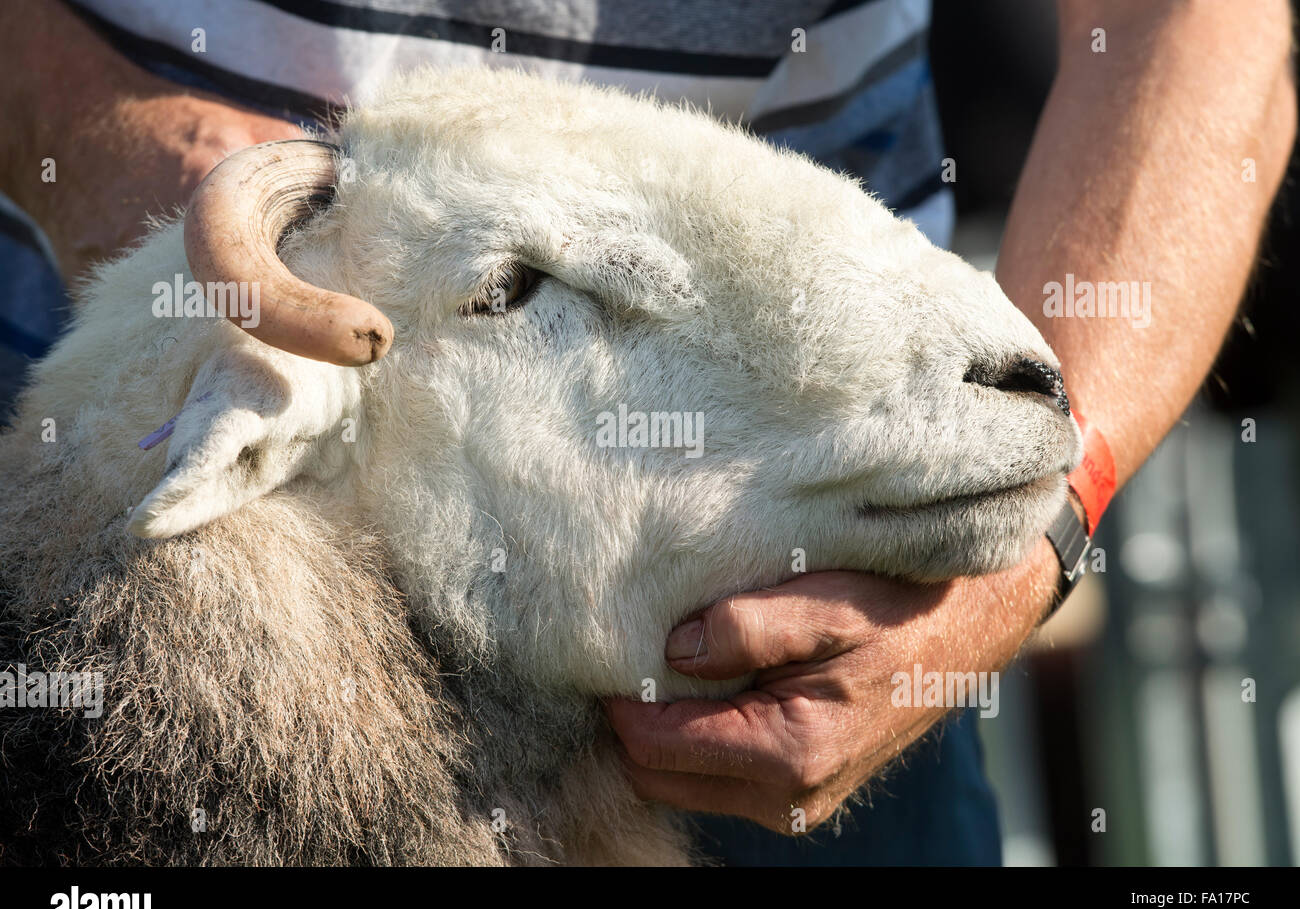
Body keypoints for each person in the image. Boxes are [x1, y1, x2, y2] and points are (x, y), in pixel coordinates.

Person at [0, 0, 1293, 865]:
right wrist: (87, 123)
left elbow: (1195, 22)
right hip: (185, 376)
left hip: (833, 484)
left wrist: (1050, 510)